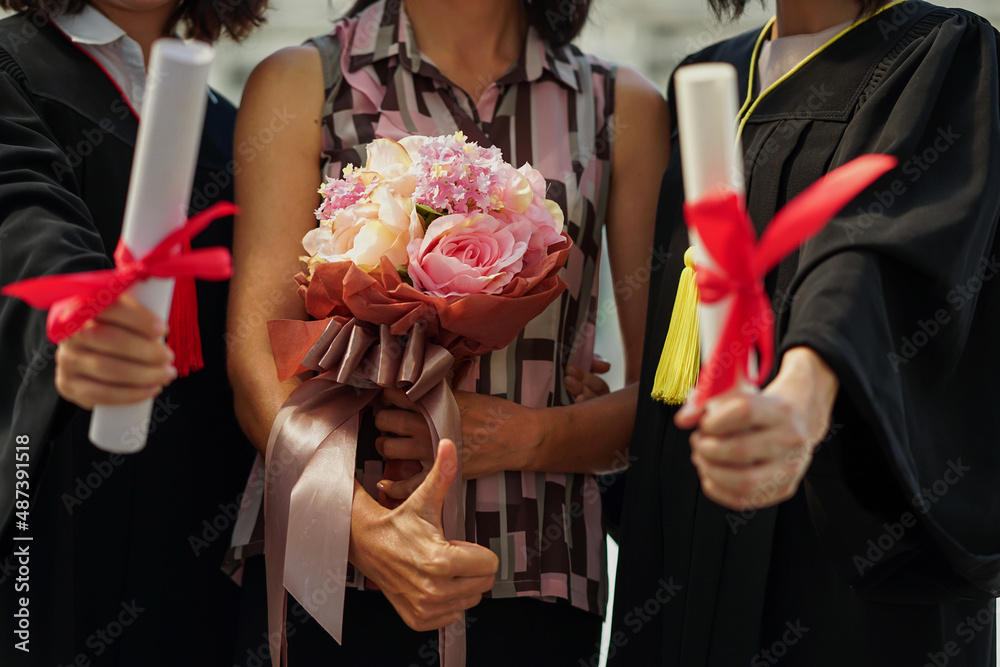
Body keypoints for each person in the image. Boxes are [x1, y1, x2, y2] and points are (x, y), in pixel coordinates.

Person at [226, 0, 670, 663]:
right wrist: (367, 531)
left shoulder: (620, 105)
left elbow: (667, 390)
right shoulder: (301, 81)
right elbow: (257, 364)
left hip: (536, 572)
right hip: (333, 569)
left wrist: (529, 436)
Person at [610, 0, 1000, 665]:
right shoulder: (705, 76)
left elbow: (881, 249)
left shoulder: (945, 52)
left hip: (837, 541)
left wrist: (799, 395)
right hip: (691, 527)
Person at [0, 0, 265, 663]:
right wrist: (76, 312)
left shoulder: (238, 130)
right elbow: (20, 218)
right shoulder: (12, 69)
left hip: (193, 532)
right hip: (51, 520)